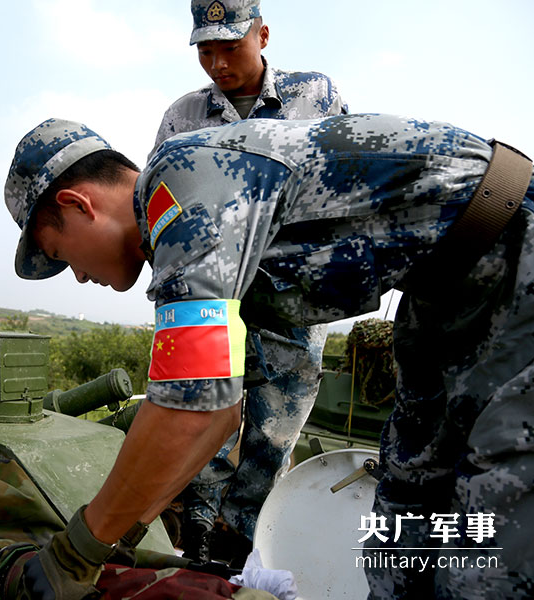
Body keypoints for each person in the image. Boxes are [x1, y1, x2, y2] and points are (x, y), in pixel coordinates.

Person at [3, 114, 534, 599]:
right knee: (406, 520)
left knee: (493, 546)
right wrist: (124, 530)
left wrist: (78, 549)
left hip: (515, 255)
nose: (75, 274)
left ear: (78, 204)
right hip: (446, 293)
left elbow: (191, 409)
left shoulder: (179, 184)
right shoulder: (202, 237)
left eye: (58, 252)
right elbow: (218, 416)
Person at [150, 0, 349, 563]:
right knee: (201, 416)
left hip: (292, 297)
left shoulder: (315, 95)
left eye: (229, 46)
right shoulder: (182, 117)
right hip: (212, 293)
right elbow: (162, 205)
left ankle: (247, 548)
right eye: (205, 50)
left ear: (263, 35)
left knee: (273, 433)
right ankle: (196, 540)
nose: (217, 63)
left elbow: (338, 187)